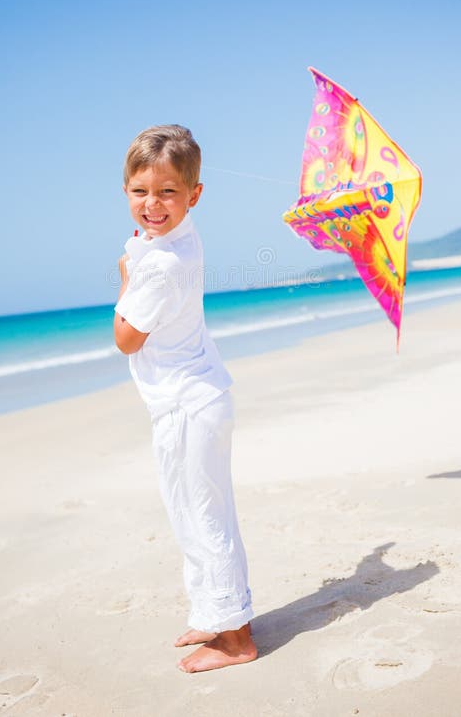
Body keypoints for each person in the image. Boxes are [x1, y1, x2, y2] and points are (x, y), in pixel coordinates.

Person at [113, 124, 256, 673]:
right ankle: (214, 614)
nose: (153, 204)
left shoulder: (162, 264)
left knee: (204, 517)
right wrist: (138, 260)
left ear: (193, 195)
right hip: (192, 398)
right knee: (189, 513)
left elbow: (126, 338)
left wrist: (126, 278)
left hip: (188, 404)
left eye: (168, 192)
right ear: (125, 189)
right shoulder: (175, 238)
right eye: (140, 191)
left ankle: (236, 638)